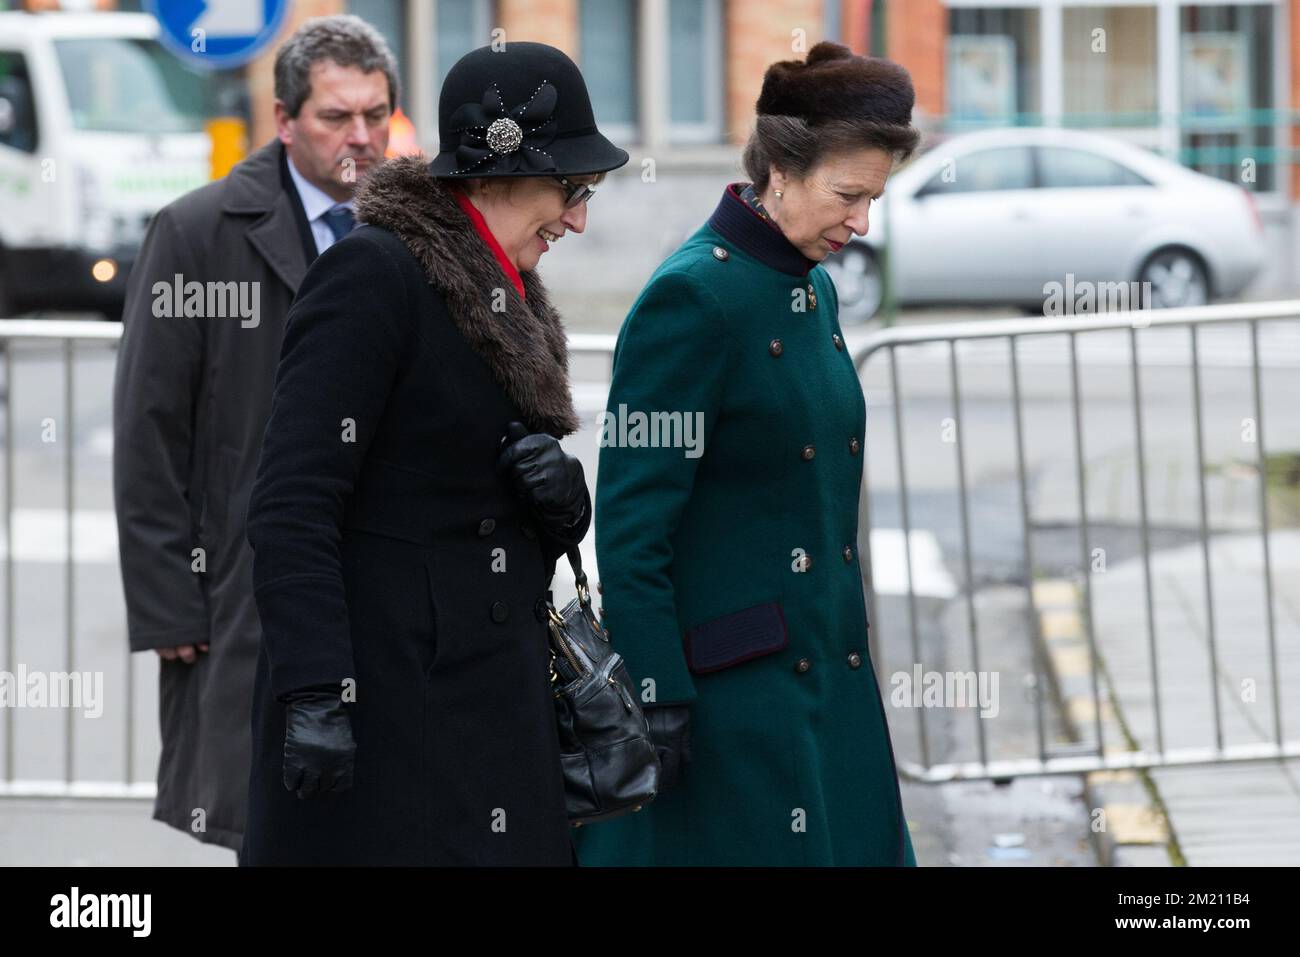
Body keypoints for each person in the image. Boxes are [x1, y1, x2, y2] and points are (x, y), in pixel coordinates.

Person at [240, 41, 628, 865]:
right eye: (572, 189)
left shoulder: (508, 286)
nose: (579, 217)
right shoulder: (373, 275)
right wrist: (313, 692)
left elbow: (471, 485)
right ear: (496, 175)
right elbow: (292, 500)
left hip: (491, 702)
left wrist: (562, 502)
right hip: (391, 708)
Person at [573, 41, 921, 866]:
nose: (861, 222)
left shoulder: (812, 282)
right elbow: (630, 525)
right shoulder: (692, 297)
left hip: (826, 680)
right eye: (848, 195)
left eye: (875, 199)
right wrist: (656, 696)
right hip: (731, 706)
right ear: (780, 172)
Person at [112, 14, 398, 856]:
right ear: (284, 121)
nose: (362, 137)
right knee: (267, 817)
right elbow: (147, 427)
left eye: (376, 115)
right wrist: (169, 599)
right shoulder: (199, 232)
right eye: (336, 117)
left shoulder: (414, 233)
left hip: (376, 587)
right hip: (240, 591)